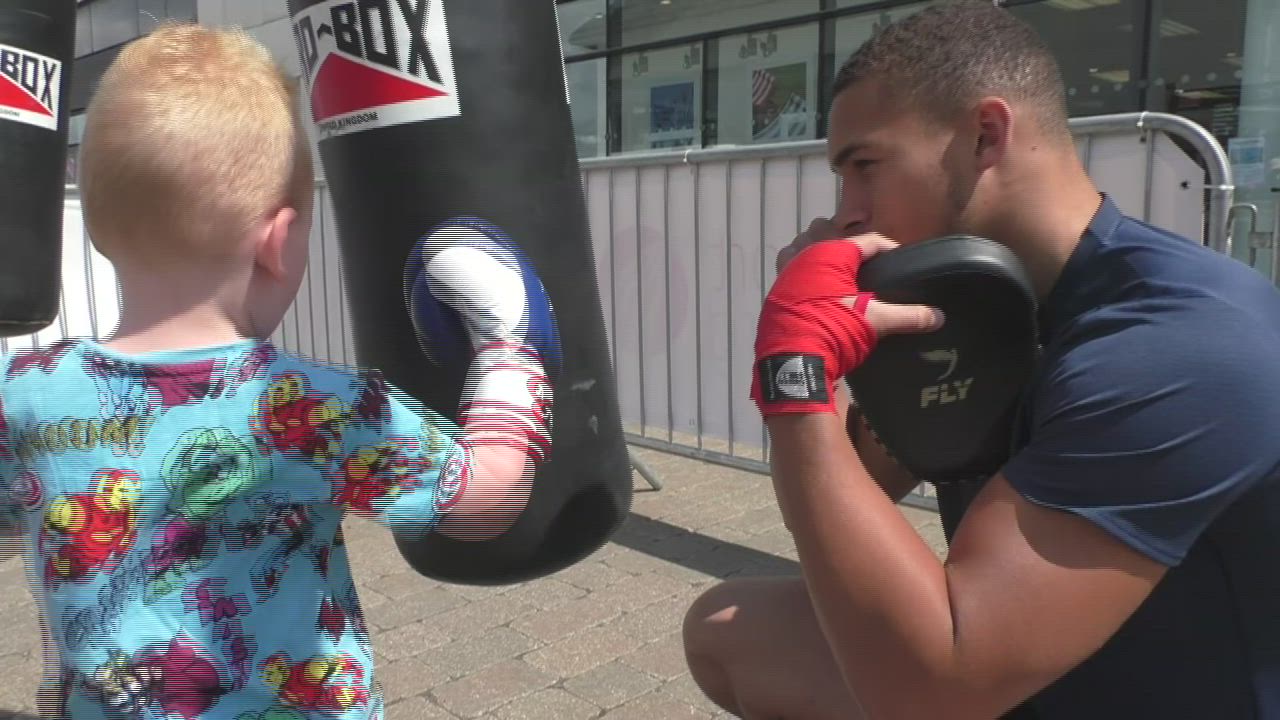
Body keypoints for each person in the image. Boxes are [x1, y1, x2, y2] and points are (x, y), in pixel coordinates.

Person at [682, 2, 1280, 719]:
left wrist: (791, 370)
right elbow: (841, 501)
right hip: (1036, 662)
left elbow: (939, 692)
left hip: (1150, 692)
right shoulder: (971, 299)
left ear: (985, 136)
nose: (846, 212)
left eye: (864, 166)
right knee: (728, 631)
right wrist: (837, 359)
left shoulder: (1182, 342)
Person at [0, 22, 552, 719]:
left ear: (99, 228)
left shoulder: (21, 393)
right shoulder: (311, 408)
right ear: (279, 243)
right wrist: (511, 357)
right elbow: (488, 500)